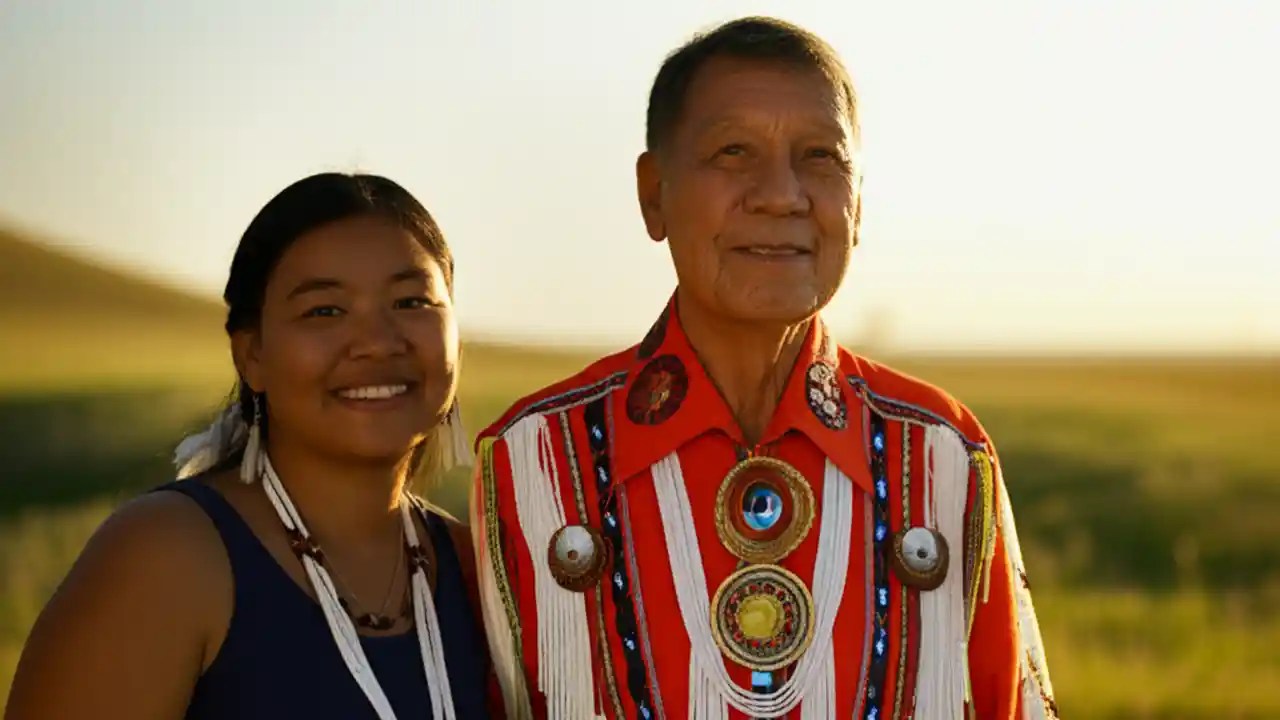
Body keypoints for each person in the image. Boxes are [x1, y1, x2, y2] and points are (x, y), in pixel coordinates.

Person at [469, 16, 1057, 720]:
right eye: (733, 151)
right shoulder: (534, 462)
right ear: (654, 194)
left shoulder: (940, 456)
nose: (781, 193)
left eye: (820, 157)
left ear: (859, 201)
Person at [7, 173, 495, 719]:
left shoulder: (481, 572)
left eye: (411, 301)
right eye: (325, 311)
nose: (379, 341)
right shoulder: (169, 557)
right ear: (252, 355)